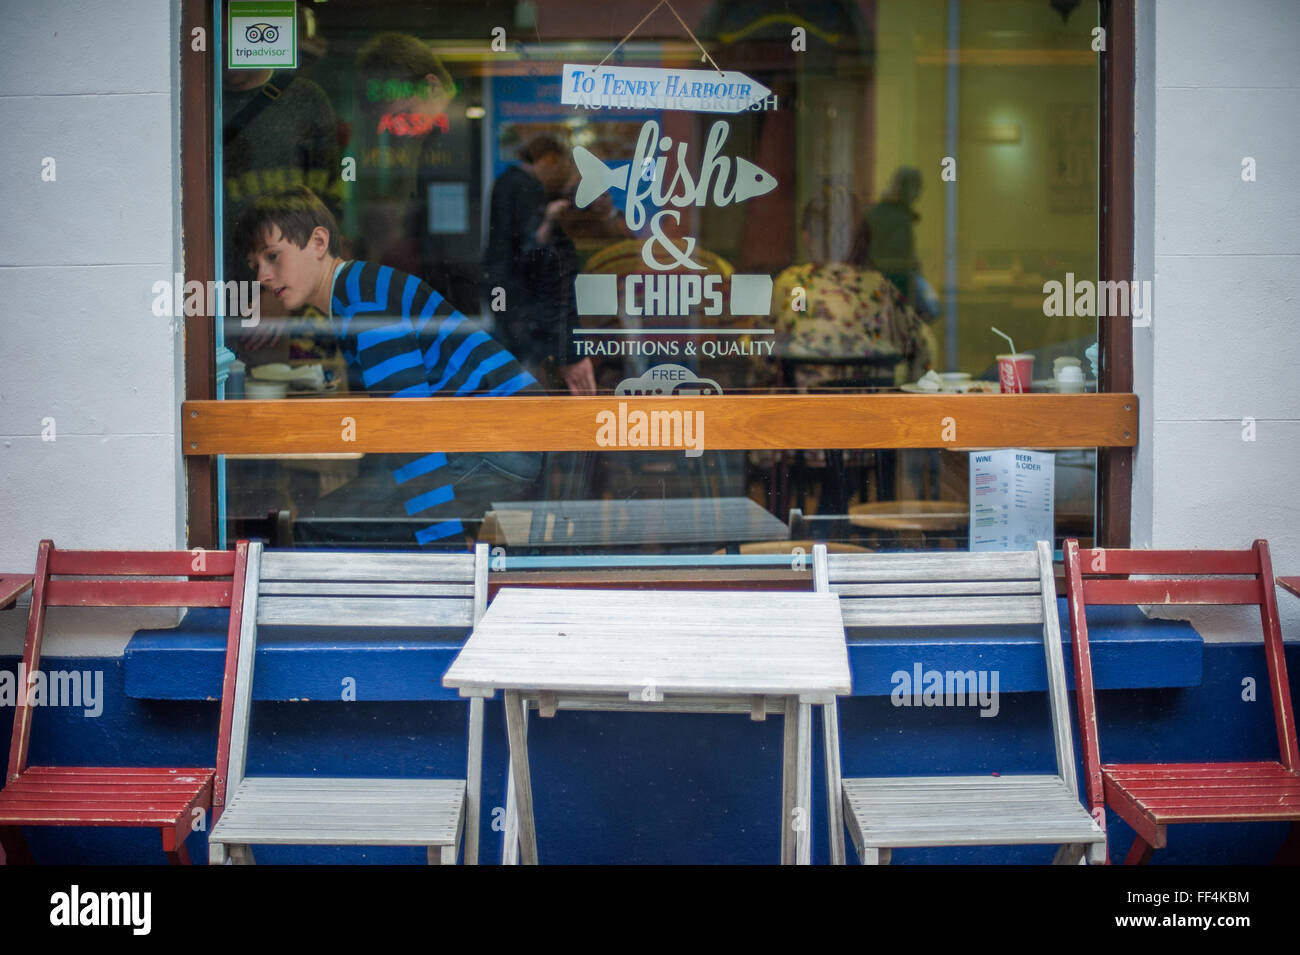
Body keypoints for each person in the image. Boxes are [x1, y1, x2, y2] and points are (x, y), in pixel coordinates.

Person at [234, 187, 542, 548]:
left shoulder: (365, 301)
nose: (262, 277)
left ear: (318, 242)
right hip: (491, 436)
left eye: (273, 257)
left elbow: (408, 430)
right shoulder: (356, 289)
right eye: (256, 266)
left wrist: (442, 548)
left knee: (319, 528)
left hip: (495, 444)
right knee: (341, 518)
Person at [484, 135, 596, 395]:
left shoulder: (506, 183)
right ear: (547, 161)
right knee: (529, 365)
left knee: (516, 361)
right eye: (558, 166)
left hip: (504, 286)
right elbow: (532, 251)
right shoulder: (526, 188)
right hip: (522, 292)